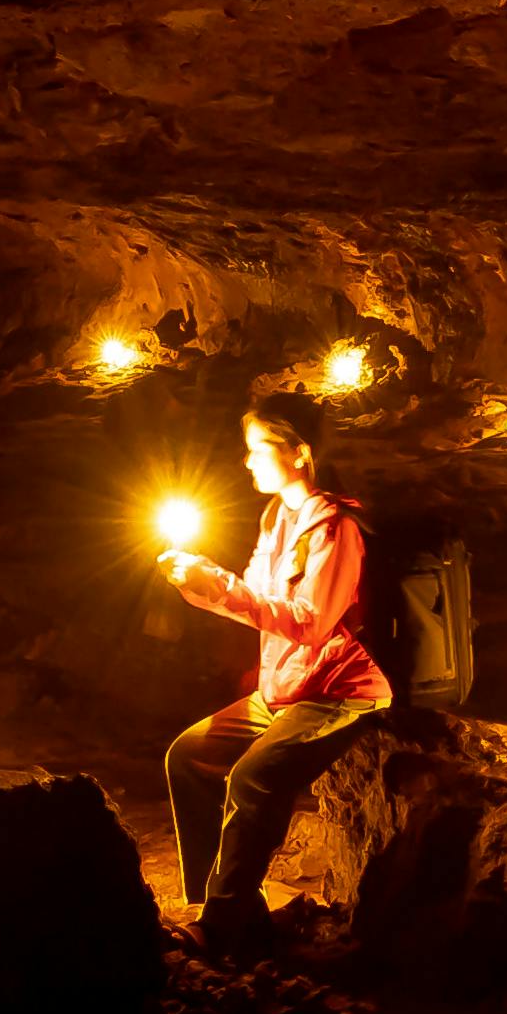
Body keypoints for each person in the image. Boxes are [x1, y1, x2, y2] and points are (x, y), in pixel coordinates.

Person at [159, 390, 389, 944]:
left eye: (259, 448)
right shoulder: (277, 517)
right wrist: (205, 582)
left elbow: (310, 622)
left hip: (339, 688)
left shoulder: (335, 528)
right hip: (286, 685)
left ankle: (224, 923)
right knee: (189, 757)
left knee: (253, 775)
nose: (247, 461)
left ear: (300, 452)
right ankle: (225, 903)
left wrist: (224, 590)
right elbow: (259, 599)